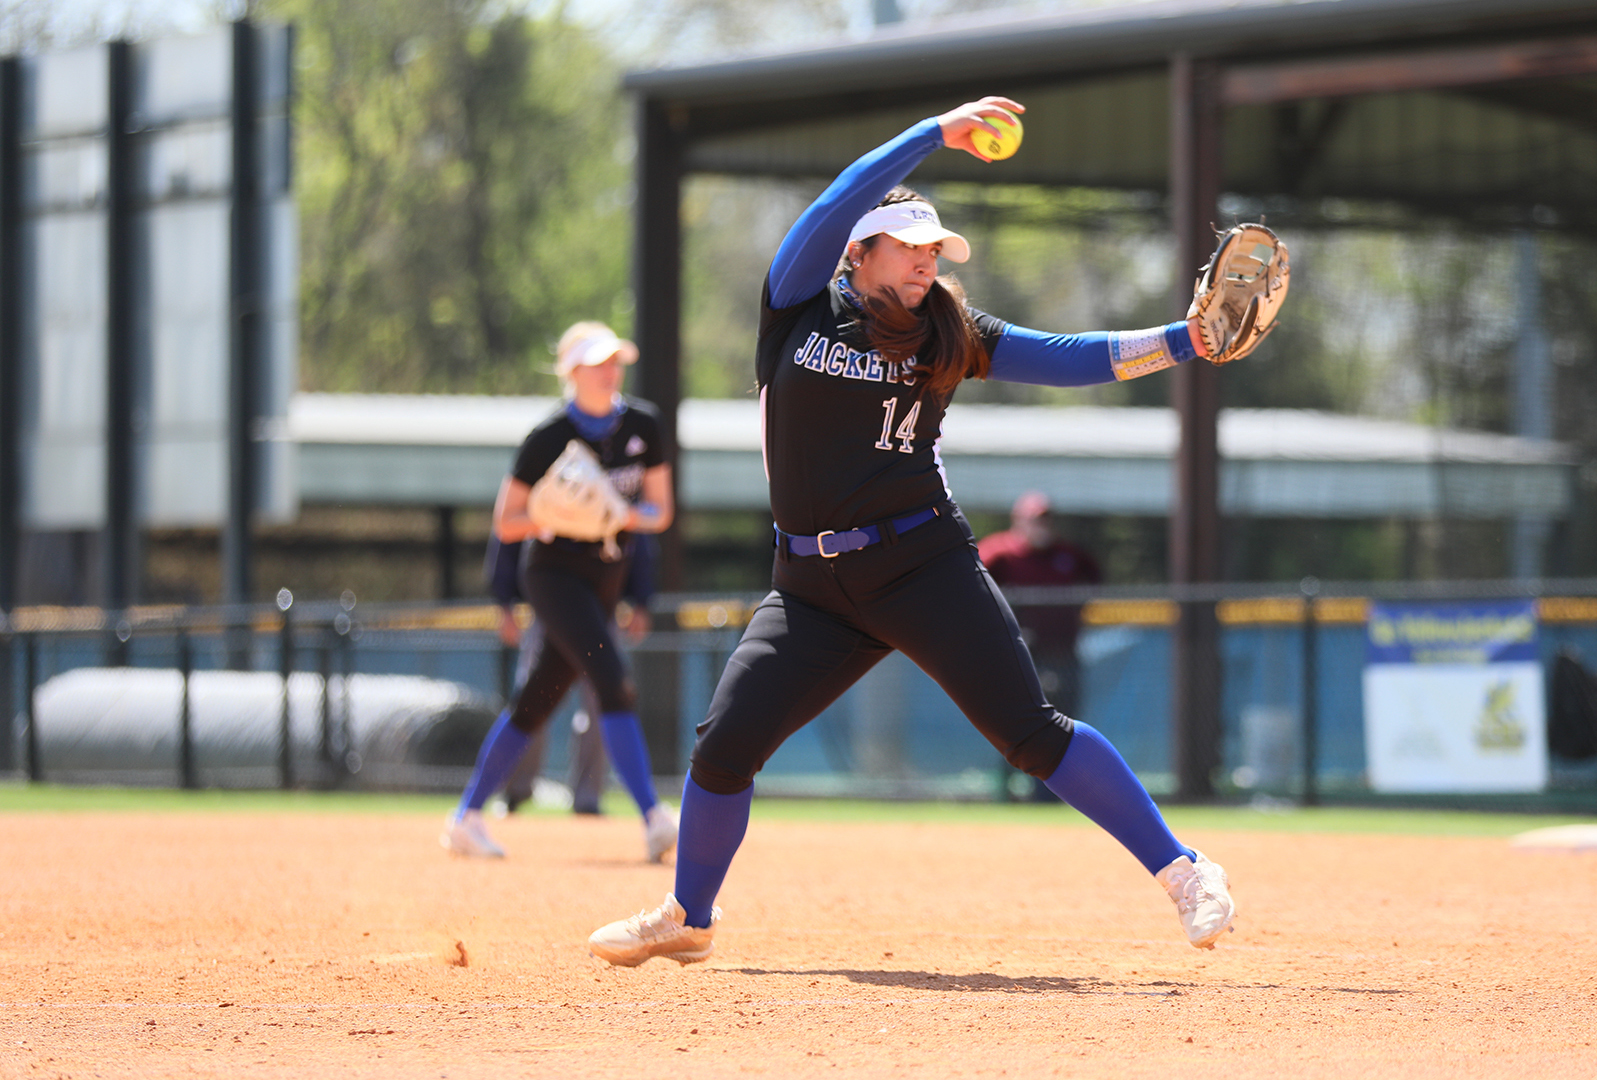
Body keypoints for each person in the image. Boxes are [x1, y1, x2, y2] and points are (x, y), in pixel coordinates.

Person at [587, 97, 1237, 969]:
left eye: (937, 251)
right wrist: (938, 132)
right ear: (861, 252)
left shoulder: (948, 332)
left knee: (1030, 733)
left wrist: (1184, 341)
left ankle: (1187, 872)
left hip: (921, 563)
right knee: (724, 747)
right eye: (912, 246)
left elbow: (1070, 354)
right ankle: (689, 915)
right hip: (811, 588)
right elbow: (834, 201)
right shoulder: (797, 308)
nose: (929, 262)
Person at [441, 321, 680, 863]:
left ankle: (466, 817)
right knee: (613, 682)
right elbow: (508, 522)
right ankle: (653, 818)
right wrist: (553, 511)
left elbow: (660, 512)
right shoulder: (547, 436)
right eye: (597, 361)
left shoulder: (644, 424)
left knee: (538, 698)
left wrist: (619, 513)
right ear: (571, 371)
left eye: (615, 360)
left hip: (606, 575)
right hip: (553, 573)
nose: (610, 370)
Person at [490, 532, 659, 817]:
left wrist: (642, 600)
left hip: (601, 611)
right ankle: (514, 792)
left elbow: (638, 539)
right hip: (550, 607)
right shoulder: (547, 488)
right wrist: (503, 602)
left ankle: (587, 797)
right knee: (532, 699)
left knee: (604, 703)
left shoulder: (619, 488)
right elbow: (509, 534)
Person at [977, 491, 1101, 802]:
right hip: (1017, 653)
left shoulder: (1066, 554)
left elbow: (1096, 578)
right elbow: (971, 581)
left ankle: (1048, 795)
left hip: (1061, 651)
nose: (1041, 527)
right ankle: (1004, 792)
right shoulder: (1001, 552)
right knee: (1009, 721)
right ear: (1019, 521)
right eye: (1034, 520)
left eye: (1046, 520)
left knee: (1062, 722)